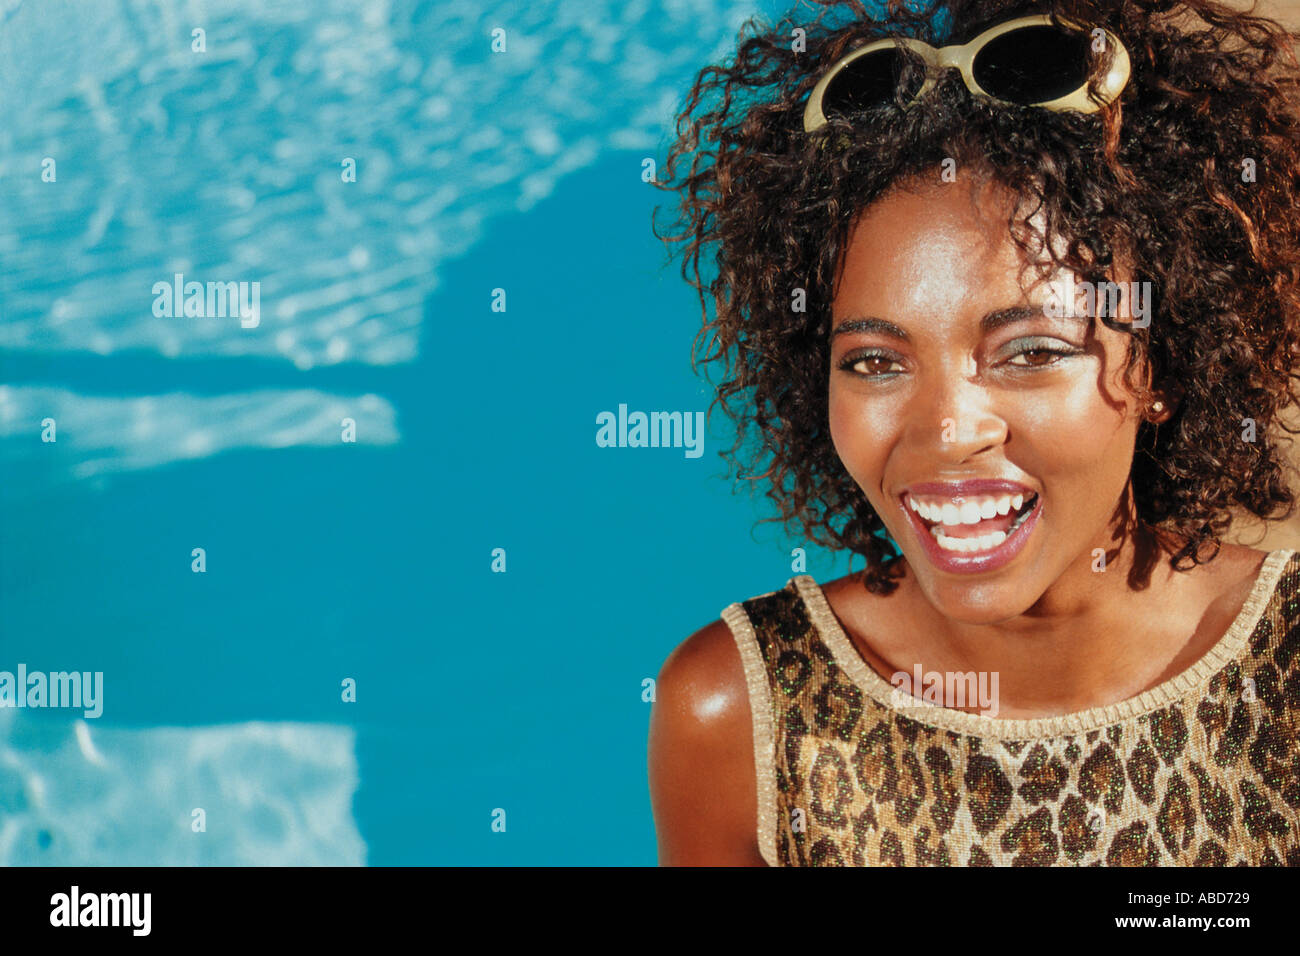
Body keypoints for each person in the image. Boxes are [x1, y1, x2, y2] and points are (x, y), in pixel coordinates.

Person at [647, 0, 1300, 866]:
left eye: (1031, 352)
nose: (948, 431)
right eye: (876, 362)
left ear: (1163, 367)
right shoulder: (740, 711)